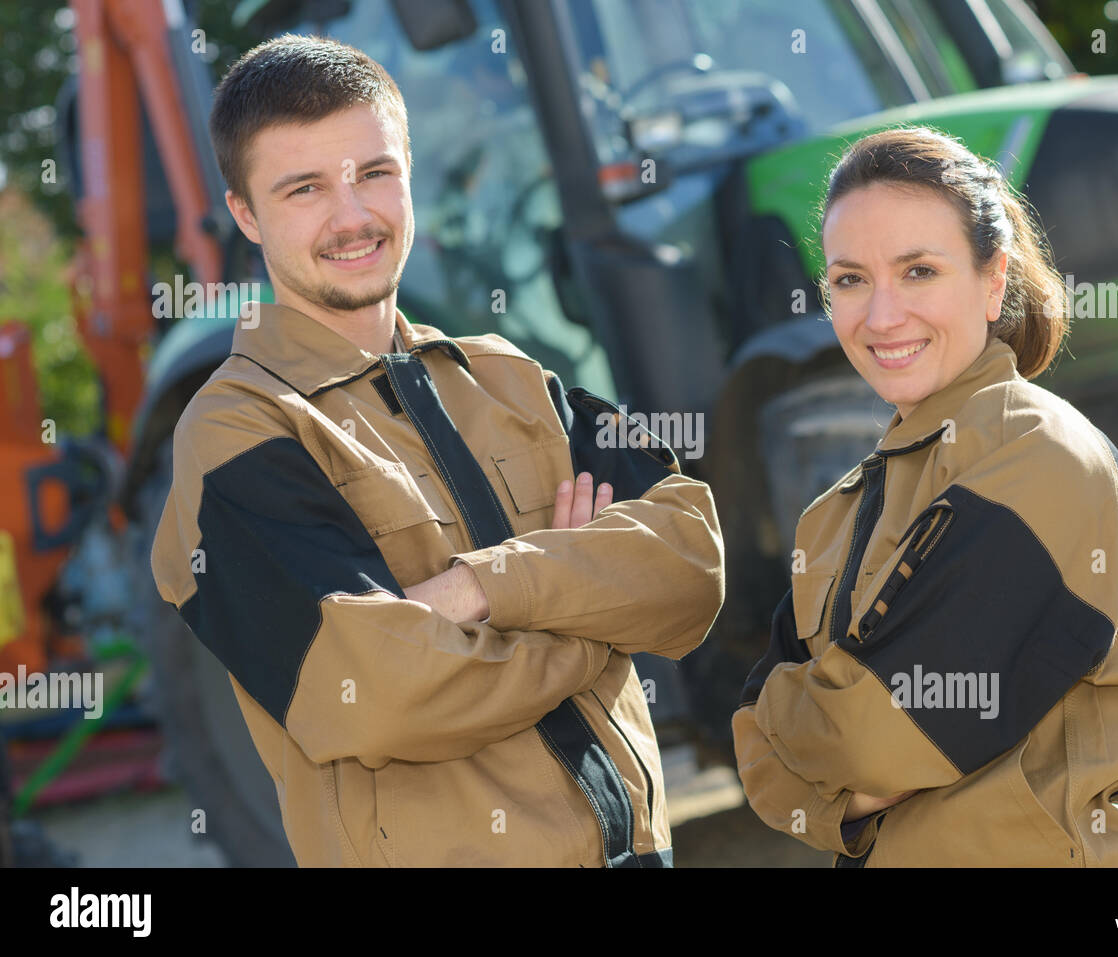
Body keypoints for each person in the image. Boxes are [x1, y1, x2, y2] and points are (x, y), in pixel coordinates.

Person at [150, 35, 724, 867]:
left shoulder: (511, 378)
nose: (352, 217)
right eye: (304, 188)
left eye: (374, 173)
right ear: (244, 211)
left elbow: (691, 564)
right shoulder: (242, 432)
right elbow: (379, 692)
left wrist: (479, 588)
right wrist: (596, 618)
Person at [731, 126, 1118, 867]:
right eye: (850, 279)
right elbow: (755, 755)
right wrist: (824, 766)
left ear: (994, 282)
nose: (881, 315)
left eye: (918, 270)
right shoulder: (835, 511)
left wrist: (814, 741)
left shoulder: (1038, 454)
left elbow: (878, 734)